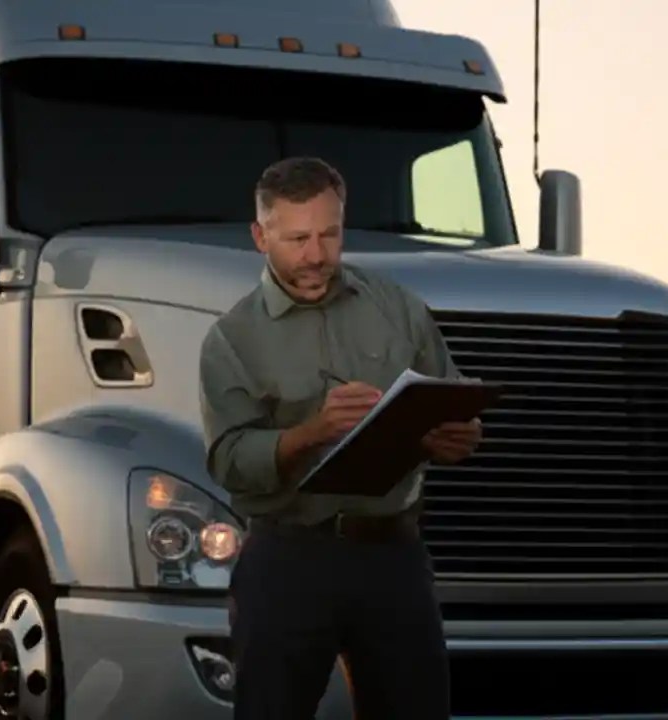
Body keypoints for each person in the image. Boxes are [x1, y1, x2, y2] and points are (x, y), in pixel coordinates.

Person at [199, 156, 483, 719]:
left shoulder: (399, 309)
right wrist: (312, 431)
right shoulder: (231, 339)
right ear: (261, 237)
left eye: (330, 234)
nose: (316, 255)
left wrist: (457, 437)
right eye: (298, 238)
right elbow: (228, 461)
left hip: (394, 559)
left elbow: (445, 397)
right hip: (287, 559)